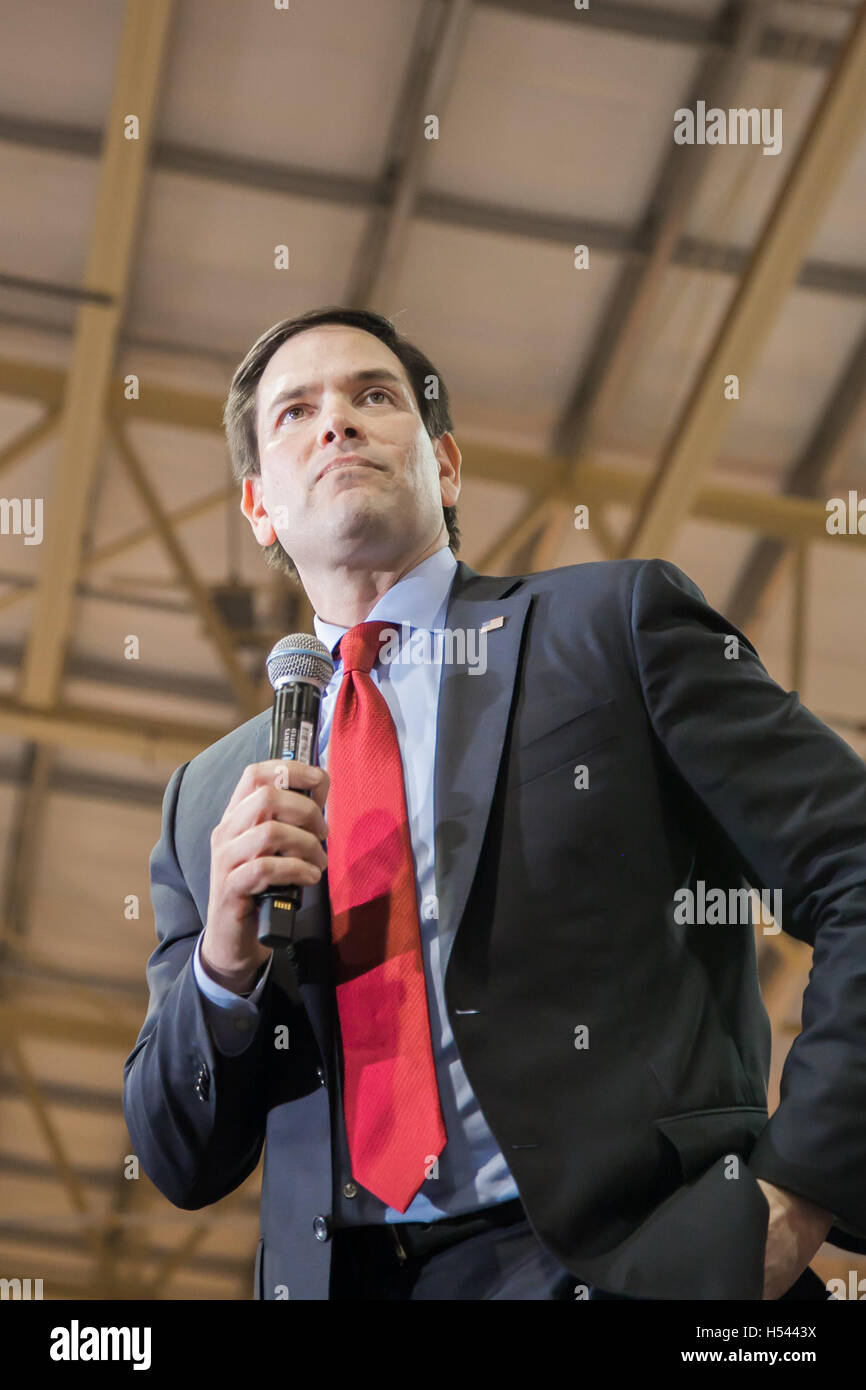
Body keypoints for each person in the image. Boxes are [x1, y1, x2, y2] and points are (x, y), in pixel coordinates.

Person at [123, 306, 866, 1301]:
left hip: (643, 1266)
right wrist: (223, 959)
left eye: (373, 396)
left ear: (446, 463)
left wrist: (797, 1188)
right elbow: (179, 1152)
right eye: (295, 411)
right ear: (259, 507)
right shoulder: (206, 801)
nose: (336, 422)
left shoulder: (612, 628)